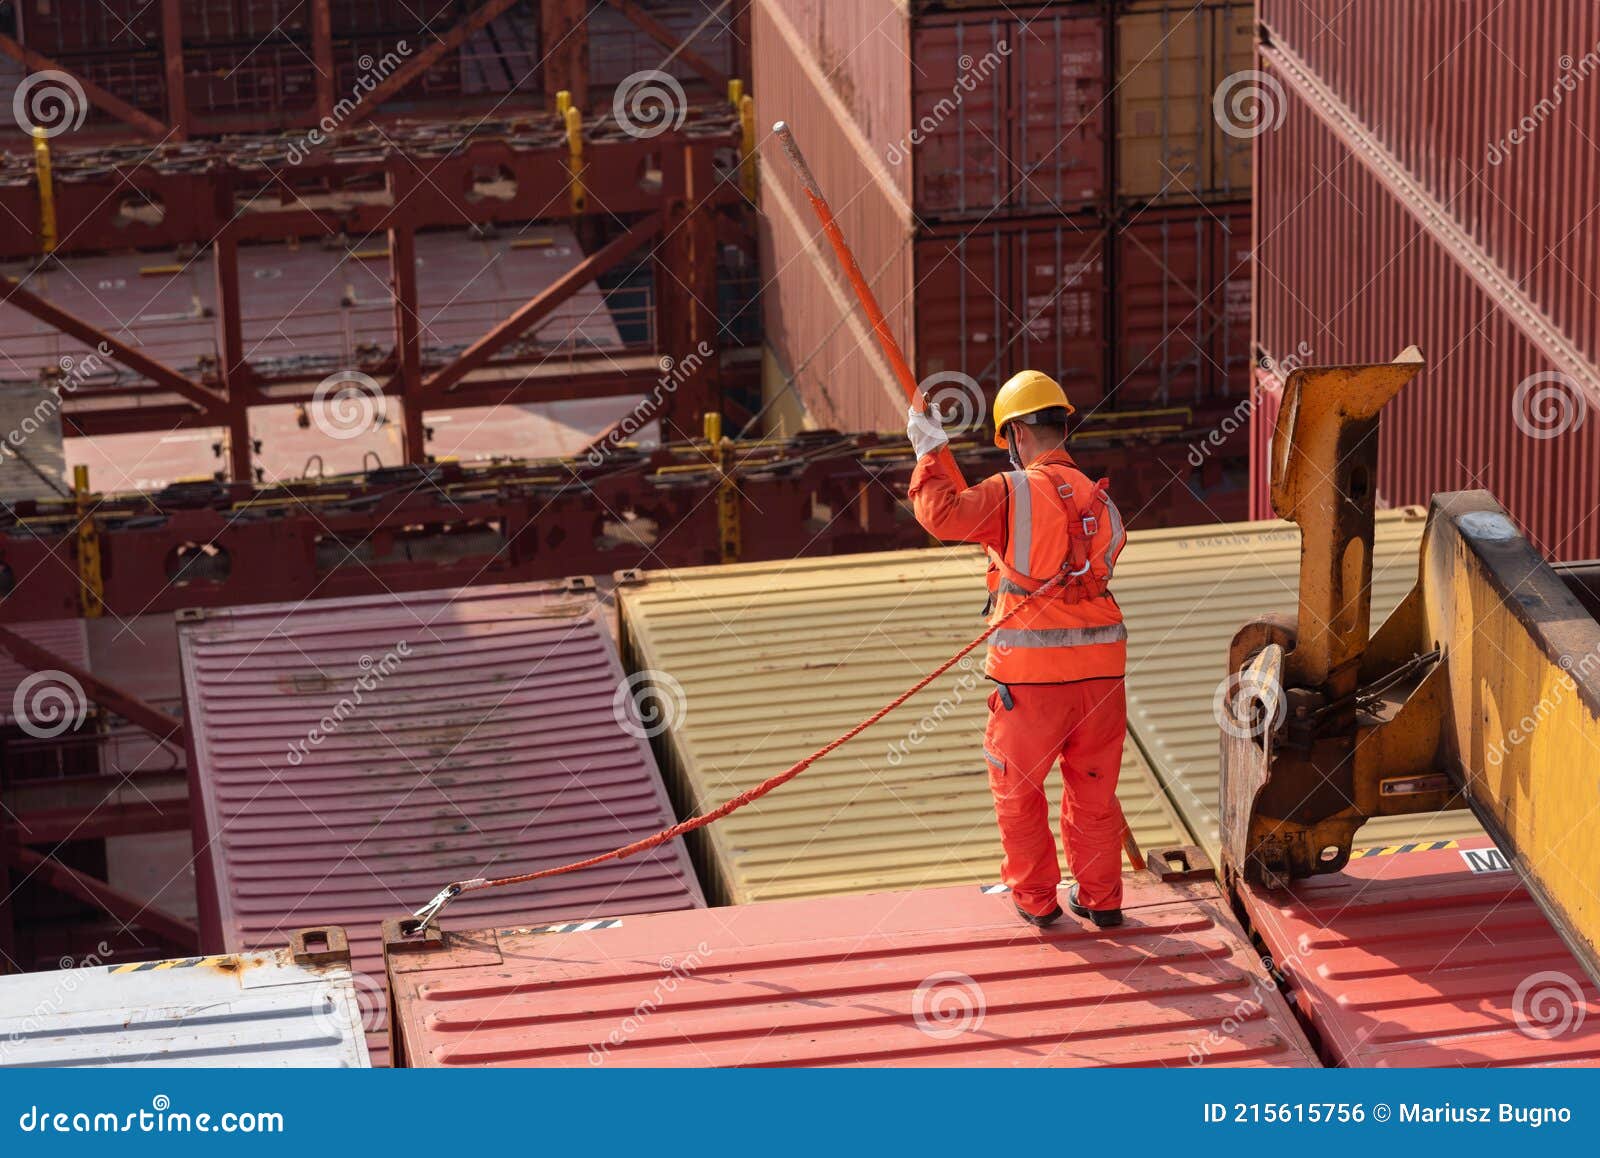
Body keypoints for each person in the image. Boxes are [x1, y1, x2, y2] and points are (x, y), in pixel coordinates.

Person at [906, 370, 1130, 928]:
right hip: (1103, 681)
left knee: (1018, 792)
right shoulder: (1103, 504)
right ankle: (1102, 900)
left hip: (1030, 684)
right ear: (1061, 425)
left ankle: (1037, 900)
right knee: (1094, 794)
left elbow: (943, 515)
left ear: (1015, 436)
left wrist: (930, 452)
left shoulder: (1013, 493)